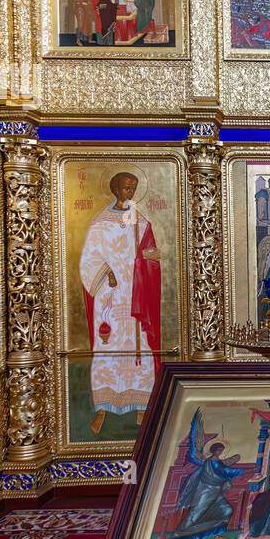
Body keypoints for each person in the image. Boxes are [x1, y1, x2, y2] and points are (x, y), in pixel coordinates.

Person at [79, 170, 161, 435]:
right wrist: (109, 272)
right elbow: (89, 260)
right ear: (115, 189)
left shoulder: (141, 221)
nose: (131, 193)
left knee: (139, 347)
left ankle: (141, 405)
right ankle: (104, 407)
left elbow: (151, 257)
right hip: (110, 296)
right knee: (109, 346)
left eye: (134, 188)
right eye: (126, 188)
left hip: (137, 296)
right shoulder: (100, 223)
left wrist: (149, 259)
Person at [172, 421, 243, 539]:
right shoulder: (211, 462)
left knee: (226, 510)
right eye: (219, 450)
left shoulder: (218, 462)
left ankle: (217, 535)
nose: (220, 452)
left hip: (216, 492)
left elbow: (223, 469)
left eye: (222, 450)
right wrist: (239, 471)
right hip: (207, 492)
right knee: (194, 516)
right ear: (214, 451)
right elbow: (223, 472)